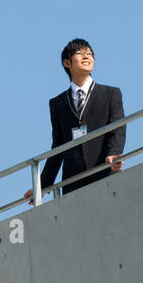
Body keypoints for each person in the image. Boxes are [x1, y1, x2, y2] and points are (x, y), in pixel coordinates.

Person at [24, 39, 125, 203]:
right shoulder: (57, 103)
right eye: (80, 53)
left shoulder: (110, 94)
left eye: (90, 53)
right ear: (66, 63)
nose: (87, 57)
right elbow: (58, 146)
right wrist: (42, 186)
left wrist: (114, 154)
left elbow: (117, 129)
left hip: (104, 172)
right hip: (72, 181)